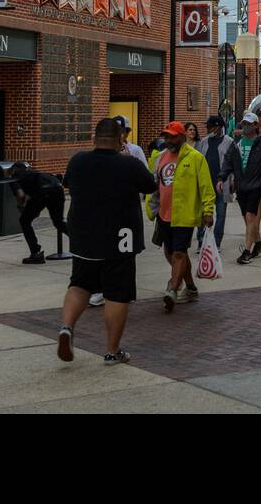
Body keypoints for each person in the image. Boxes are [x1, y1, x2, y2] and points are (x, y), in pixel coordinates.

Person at [57, 117, 157, 366]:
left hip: (83, 236)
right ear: (120, 138)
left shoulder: (78, 161)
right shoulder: (129, 164)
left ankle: (67, 327)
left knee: (79, 284)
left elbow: (67, 183)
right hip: (119, 238)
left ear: (94, 138)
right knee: (117, 293)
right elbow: (149, 185)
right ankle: (112, 351)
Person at [146, 121, 214, 311]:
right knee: (171, 253)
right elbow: (154, 184)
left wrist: (208, 211)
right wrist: (151, 207)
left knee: (179, 253)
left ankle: (173, 290)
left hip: (184, 214)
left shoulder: (195, 158)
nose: (168, 140)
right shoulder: (159, 158)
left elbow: (206, 187)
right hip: (164, 214)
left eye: (173, 136)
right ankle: (191, 287)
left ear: (183, 137)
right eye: (166, 136)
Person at [222, 112, 261, 265]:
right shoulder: (237, 144)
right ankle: (258, 243)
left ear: (255, 125)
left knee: (250, 216)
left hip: (257, 185)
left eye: (248, 123)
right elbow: (228, 161)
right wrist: (222, 177)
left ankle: (247, 251)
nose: (245, 126)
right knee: (247, 219)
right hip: (241, 186)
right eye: (243, 123)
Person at [17, 165, 69, 265]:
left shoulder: (16, 177)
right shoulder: (38, 173)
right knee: (59, 223)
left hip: (41, 192)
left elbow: (21, 195)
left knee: (24, 221)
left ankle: (36, 253)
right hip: (57, 189)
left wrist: (22, 208)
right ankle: (82, 245)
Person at [200, 115, 233, 249]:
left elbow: (232, 162)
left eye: (210, 127)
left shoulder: (229, 142)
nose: (208, 130)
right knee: (203, 213)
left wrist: (233, 179)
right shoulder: (204, 141)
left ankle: (216, 243)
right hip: (205, 184)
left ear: (218, 127)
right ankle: (202, 241)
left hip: (221, 184)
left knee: (221, 214)